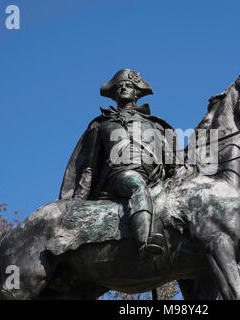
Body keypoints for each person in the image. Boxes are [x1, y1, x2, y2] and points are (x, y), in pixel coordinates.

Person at [59, 69, 178, 258]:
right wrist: (77, 203)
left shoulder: (156, 125)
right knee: (136, 184)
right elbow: (89, 167)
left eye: (128, 85)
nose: (123, 88)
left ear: (137, 92)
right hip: (119, 178)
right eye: (119, 86)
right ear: (113, 94)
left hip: (154, 179)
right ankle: (144, 243)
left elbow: (172, 161)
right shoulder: (101, 125)